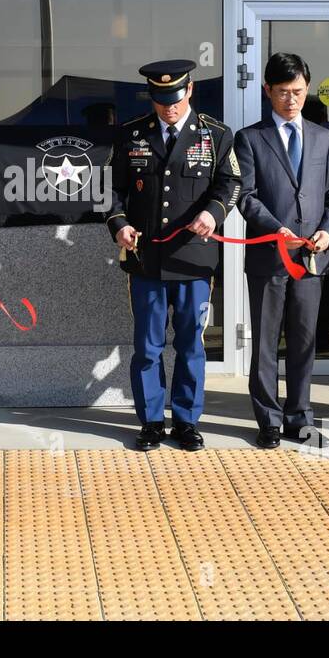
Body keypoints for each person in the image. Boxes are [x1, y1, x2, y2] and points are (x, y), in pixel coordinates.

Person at [106, 59, 241, 452]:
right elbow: (111, 192)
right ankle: (150, 422)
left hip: (194, 260)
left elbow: (231, 183)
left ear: (190, 90)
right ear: (151, 97)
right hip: (145, 258)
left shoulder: (215, 134)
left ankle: (186, 420)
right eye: (162, 100)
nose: (170, 107)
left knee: (190, 344)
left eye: (176, 98)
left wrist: (213, 213)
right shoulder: (131, 135)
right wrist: (119, 225)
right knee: (147, 347)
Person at [234, 52, 329, 449]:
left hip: (312, 257)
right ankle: (268, 420)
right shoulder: (249, 138)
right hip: (270, 256)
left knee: (303, 341)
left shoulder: (324, 137)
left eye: (297, 91)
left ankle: (301, 418)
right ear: (267, 91)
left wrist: (328, 232)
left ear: (307, 88)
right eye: (282, 92)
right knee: (265, 342)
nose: (291, 100)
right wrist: (275, 229)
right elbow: (246, 196)